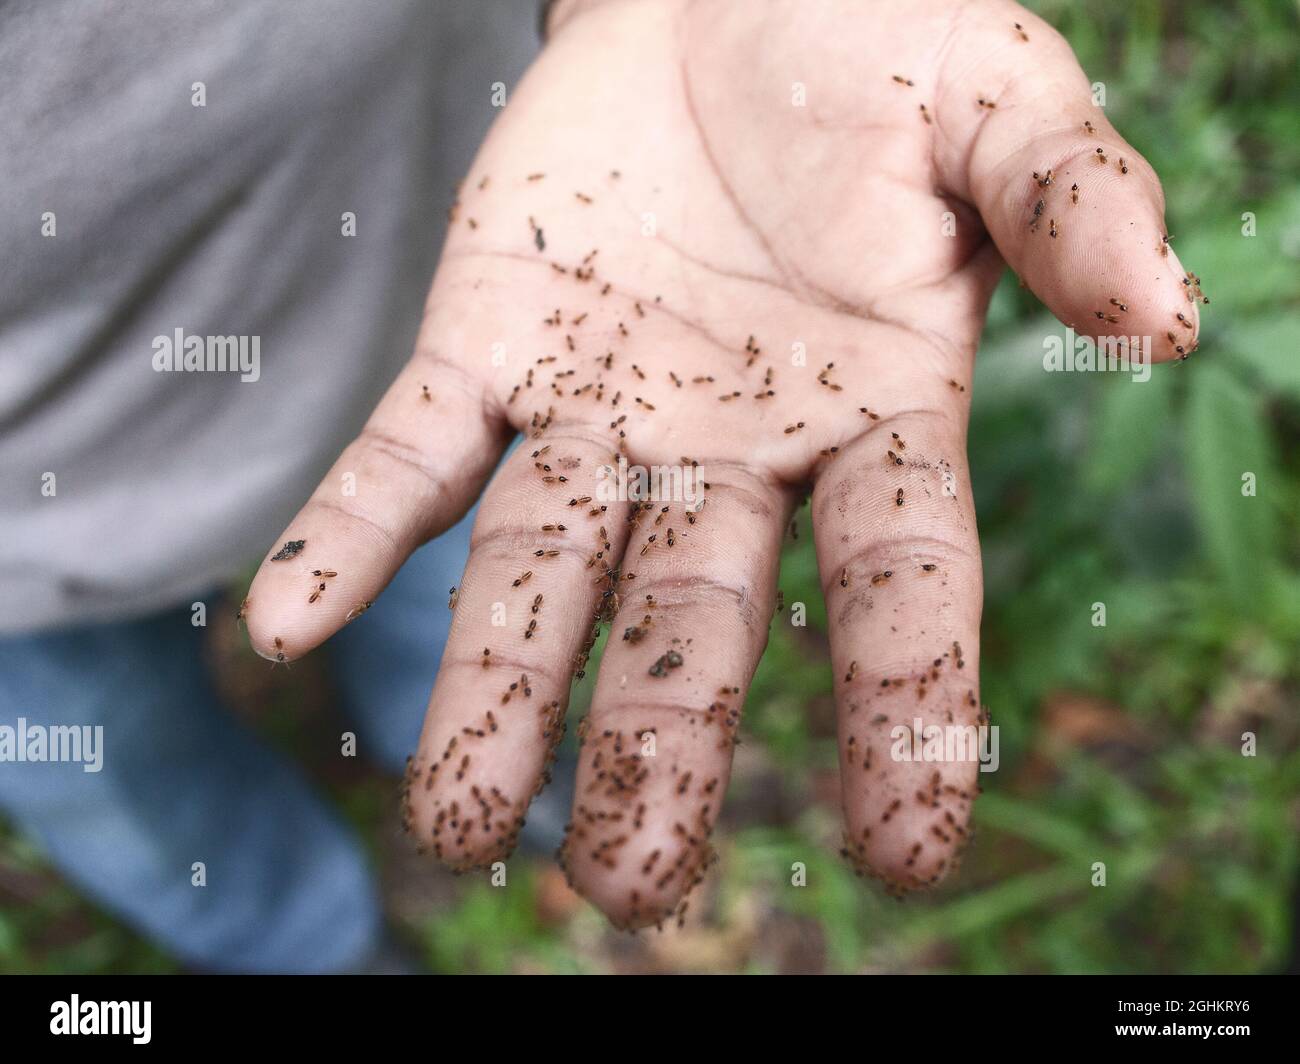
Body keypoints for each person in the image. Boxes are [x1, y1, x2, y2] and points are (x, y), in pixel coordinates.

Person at [0, 0, 1201, 970]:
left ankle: (451, 762)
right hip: (29, 552)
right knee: (116, 762)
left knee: (464, 607)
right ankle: (303, 942)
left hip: (465, 328)